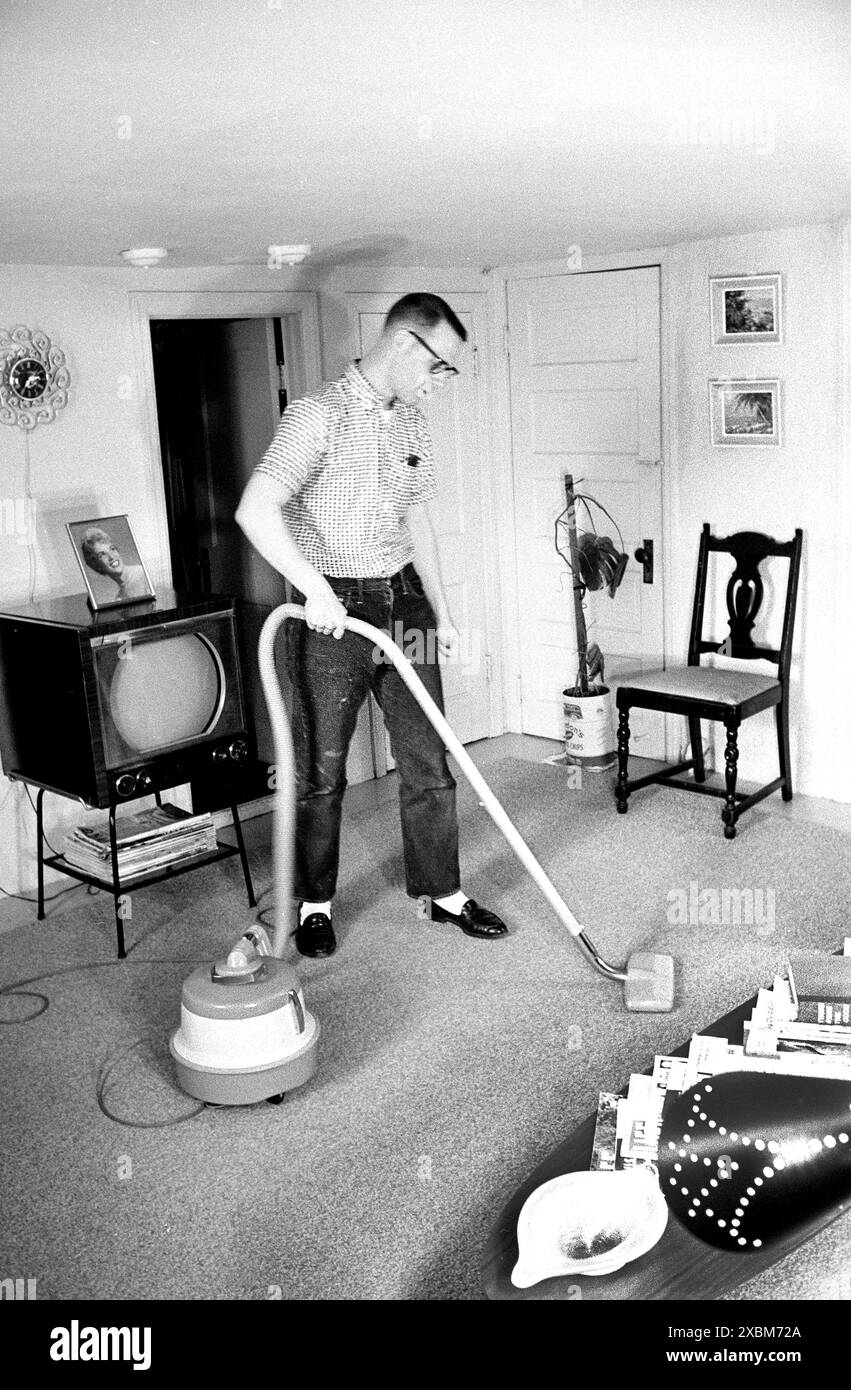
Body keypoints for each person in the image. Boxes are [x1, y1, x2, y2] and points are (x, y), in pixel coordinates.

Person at [236, 293, 508, 958]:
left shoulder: (411, 424)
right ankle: (315, 905)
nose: (439, 387)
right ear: (408, 345)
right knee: (322, 771)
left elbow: (418, 523)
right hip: (332, 612)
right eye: (441, 369)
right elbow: (254, 509)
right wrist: (315, 589)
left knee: (427, 756)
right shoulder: (315, 416)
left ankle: (441, 892)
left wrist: (441, 616)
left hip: (403, 601)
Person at [80, 528, 150, 601]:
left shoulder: (145, 573)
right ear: (96, 565)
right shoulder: (119, 599)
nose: (111, 556)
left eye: (112, 549)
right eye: (102, 555)